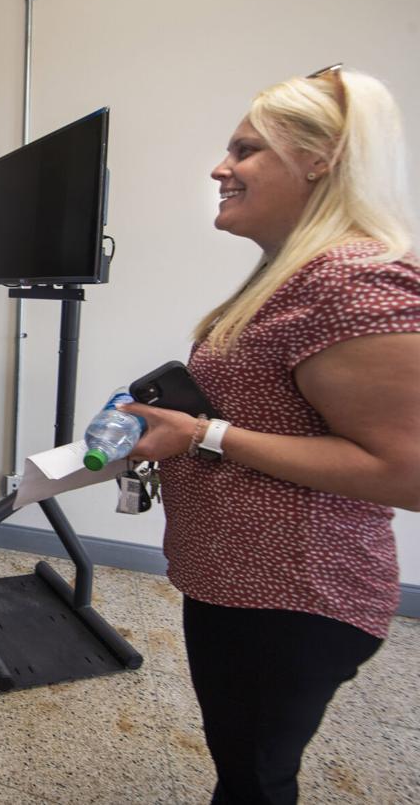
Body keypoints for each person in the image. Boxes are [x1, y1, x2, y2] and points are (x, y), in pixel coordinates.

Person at [122, 67, 420, 804]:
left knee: (255, 779)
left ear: (319, 160)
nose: (221, 169)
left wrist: (204, 435)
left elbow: (405, 470)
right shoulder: (292, 274)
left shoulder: (354, 281)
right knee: (244, 761)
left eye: (245, 150)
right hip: (244, 583)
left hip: (290, 595)